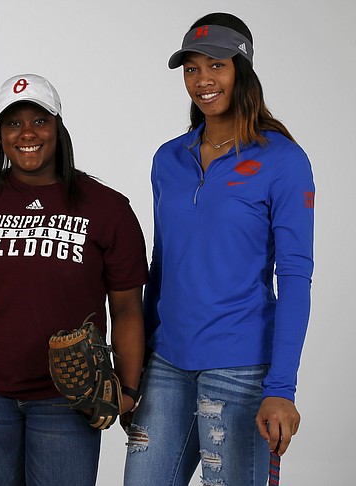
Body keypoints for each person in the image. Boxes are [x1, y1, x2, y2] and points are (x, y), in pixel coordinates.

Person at [123, 12, 315, 486]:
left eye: (216, 66)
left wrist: (282, 387)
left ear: (241, 70)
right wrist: (137, 365)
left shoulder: (283, 160)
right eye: (192, 68)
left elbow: (295, 276)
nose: (202, 80)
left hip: (241, 368)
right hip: (166, 365)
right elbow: (162, 265)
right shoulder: (169, 158)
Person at [0, 74, 148, 485]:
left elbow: (127, 309)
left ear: (59, 128)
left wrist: (128, 389)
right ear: (0, 134)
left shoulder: (107, 208)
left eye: (40, 120)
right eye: (13, 123)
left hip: (69, 396)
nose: (27, 133)